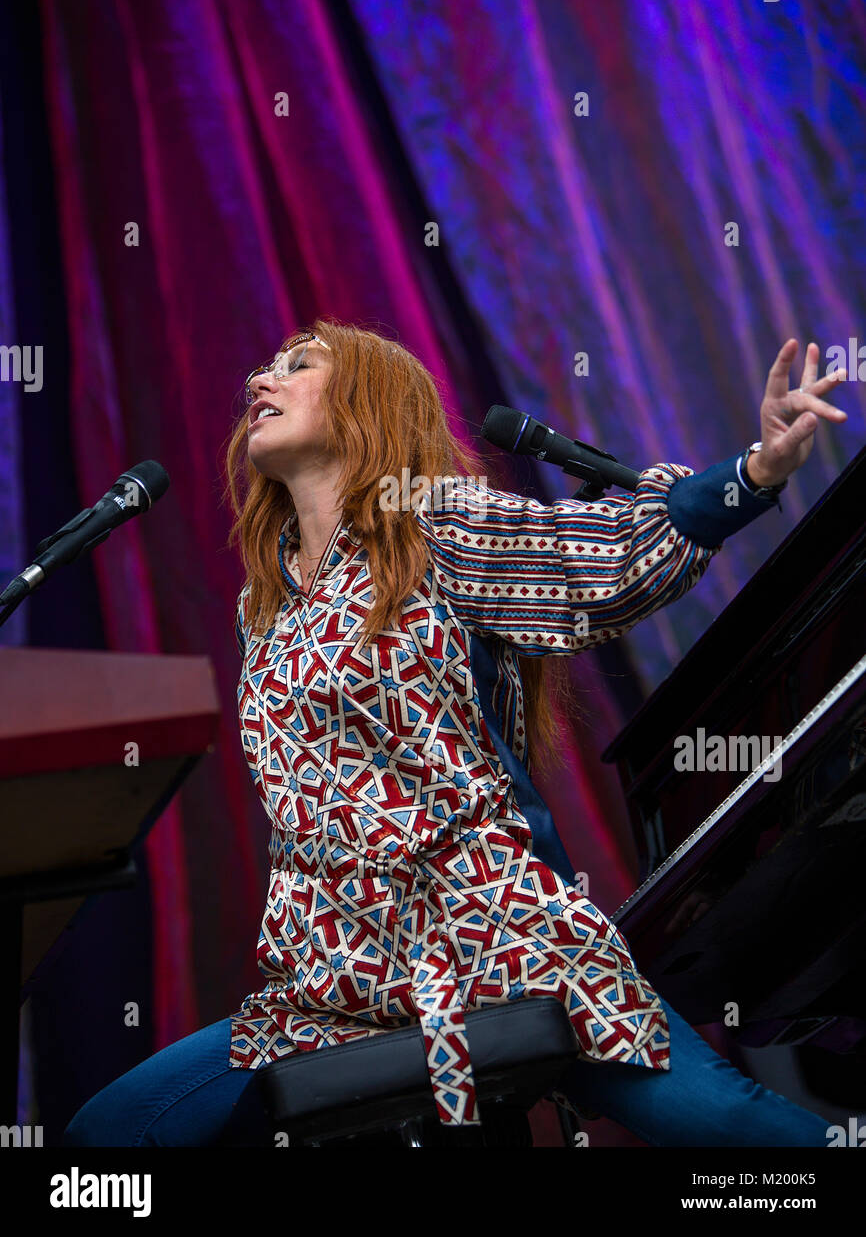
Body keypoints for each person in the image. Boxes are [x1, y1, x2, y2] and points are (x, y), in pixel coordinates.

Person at [63, 323, 848, 1147]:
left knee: (731, 1129)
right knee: (111, 1134)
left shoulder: (431, 524)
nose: (262, 377)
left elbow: (592, 561)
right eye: (262, 365)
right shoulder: (264, 608)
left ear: (369, 400)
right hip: (341, 982)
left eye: (298, 366)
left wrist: (754, 473)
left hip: (493, 941)